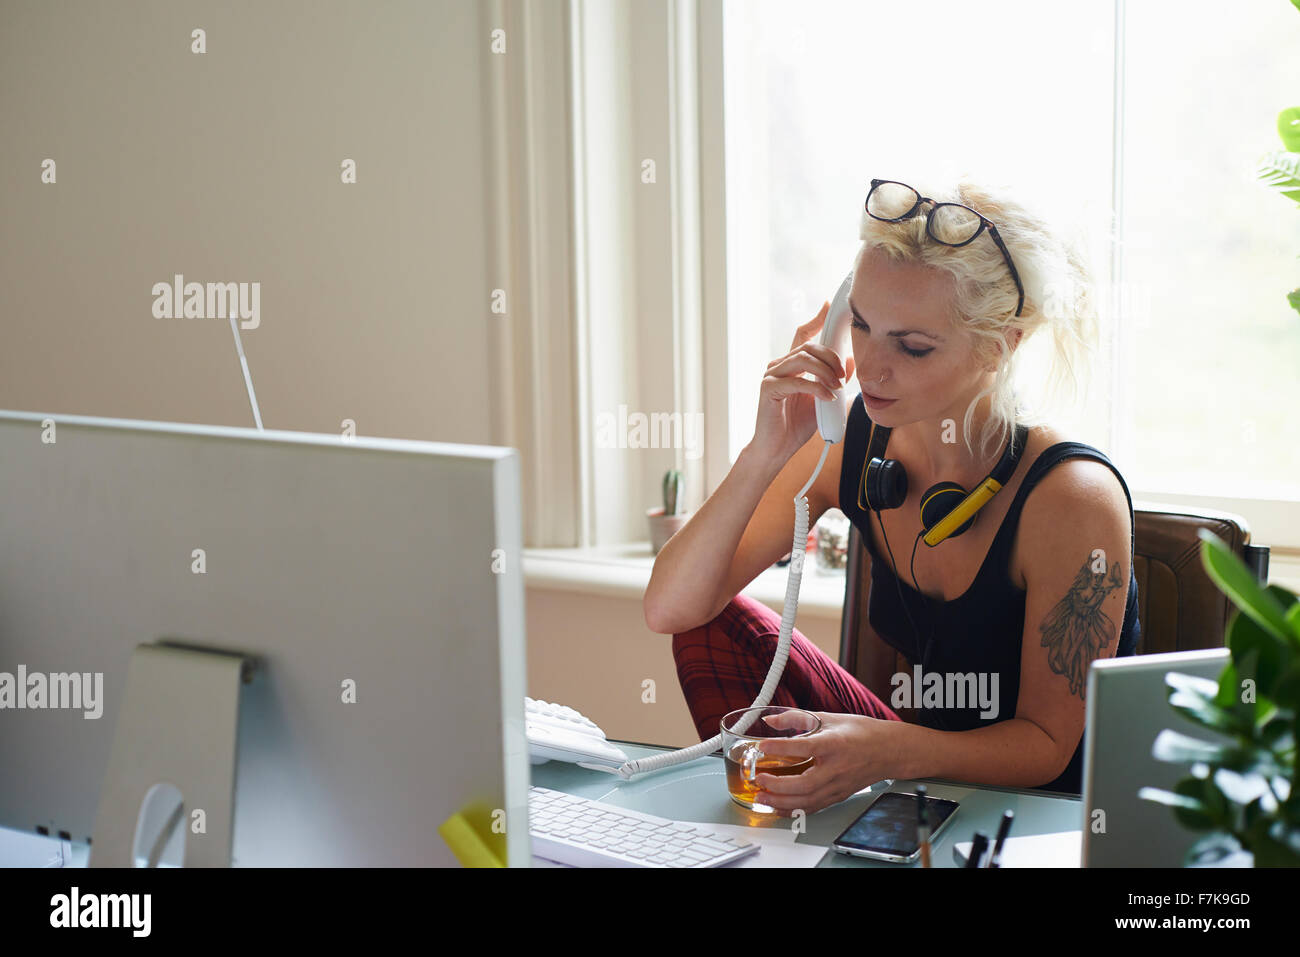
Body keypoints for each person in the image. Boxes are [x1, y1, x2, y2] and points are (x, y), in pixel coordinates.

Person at [643, 175, 1141, 811]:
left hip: (1038, 815)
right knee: (710, 625)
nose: (871, 368)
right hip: (911, 777)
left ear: (1000, 345)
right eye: (861, 326)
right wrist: (766, 450)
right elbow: (671, 610)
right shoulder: (849, 443)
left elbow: (1050, 748)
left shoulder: (1071, 497)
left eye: (911, 346)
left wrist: (886, 749)